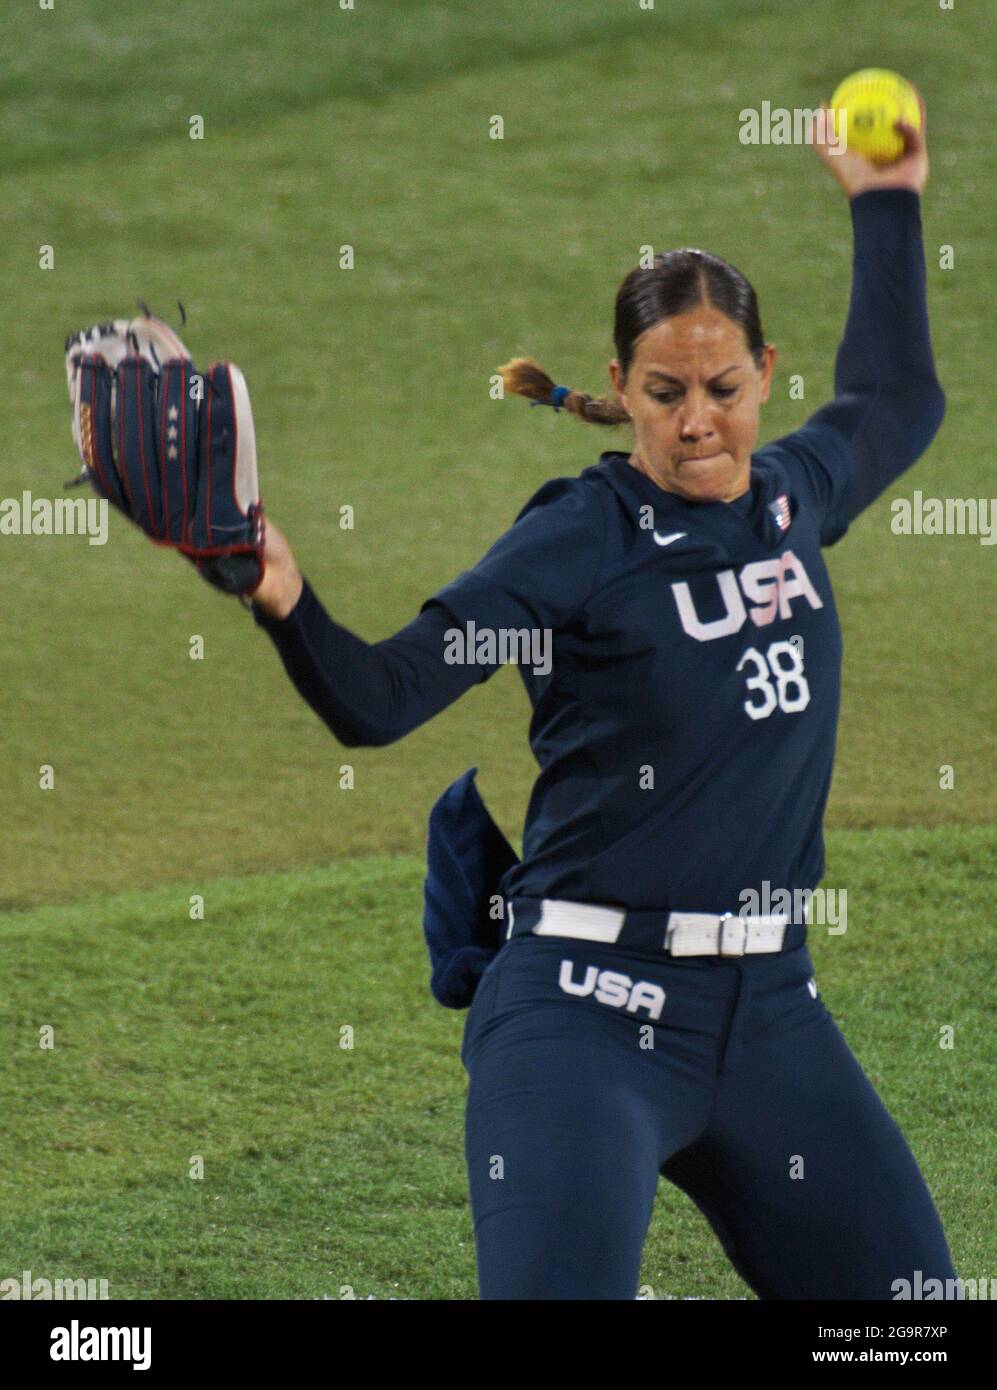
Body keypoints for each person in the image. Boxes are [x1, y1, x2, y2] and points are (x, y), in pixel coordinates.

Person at [249, 91, 959, 1299]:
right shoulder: (579, 537)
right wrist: (278, 590)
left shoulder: (792, 494)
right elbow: (379, 698)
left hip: (769, 1006)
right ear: (620, 386)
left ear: (763, 374)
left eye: (724, 388)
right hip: (582, 1014)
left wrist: (885, 199)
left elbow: (899, 401)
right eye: (667, 393)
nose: (699, 424)